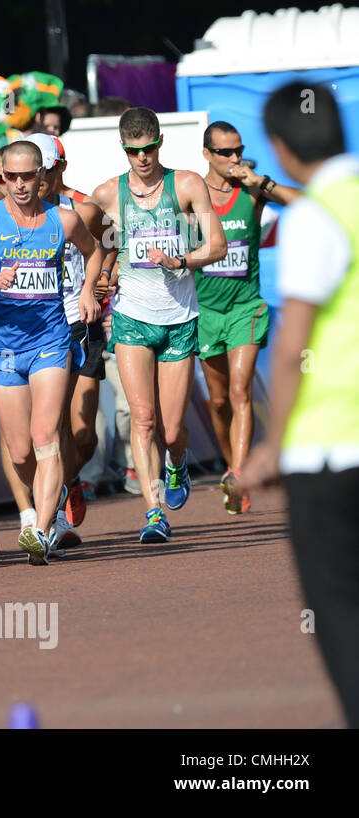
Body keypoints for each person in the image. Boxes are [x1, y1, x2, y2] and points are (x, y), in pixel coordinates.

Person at [242, 81, 359, 727]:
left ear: (282, 150)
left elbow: (292, 347)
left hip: (332, 448)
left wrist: (274, 444)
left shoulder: (317, 215)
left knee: (339, 614)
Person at [0, 140, 101, 564]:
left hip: (51, 340)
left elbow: (95, 252)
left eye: (26, 175)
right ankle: (45, 510)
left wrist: (88, 289)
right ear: (0, 179)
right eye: (9, 177)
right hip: (3, 346)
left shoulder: (65, 220)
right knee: (19, 451)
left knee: (44, 435)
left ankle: (41, 528)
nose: (18, 184)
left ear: (43, 175)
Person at [88, 107, 227, 543]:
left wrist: (181, 260)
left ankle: (177, 463)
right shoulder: (108, 194)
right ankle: (153, 513)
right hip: (131, 317)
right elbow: (95, 245)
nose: (143, 159)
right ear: (124, 150)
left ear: (160, 143)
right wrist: (100, 279)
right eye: (134, 152)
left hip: (180, 319)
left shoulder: (185, 185)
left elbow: (217, 246)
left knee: (170, 428)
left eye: (149, 149)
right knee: (142, 419)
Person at [195, 121, 299, 514]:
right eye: (225, 152)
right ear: (207, 154)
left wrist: (262, 181)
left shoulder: (252, 191)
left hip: (245, 307)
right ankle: (229, 465)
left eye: (238, 150)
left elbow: (304, 202)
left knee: (240, 391)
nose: (234, 158)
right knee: (218, 401)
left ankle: (239, 472)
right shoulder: (192, 193)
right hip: (206, 311)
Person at [28, 132, 108, 543]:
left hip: (81, 322)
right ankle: (52, 512)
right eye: (30, 171)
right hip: (40, 327)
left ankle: (69, 480)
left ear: (59, 168)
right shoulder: (12, 215)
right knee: (52, 426)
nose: (37, 180)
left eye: (45, 170)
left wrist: (100, 279)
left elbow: (107, 243)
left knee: (83, 433)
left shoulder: (84, 211)